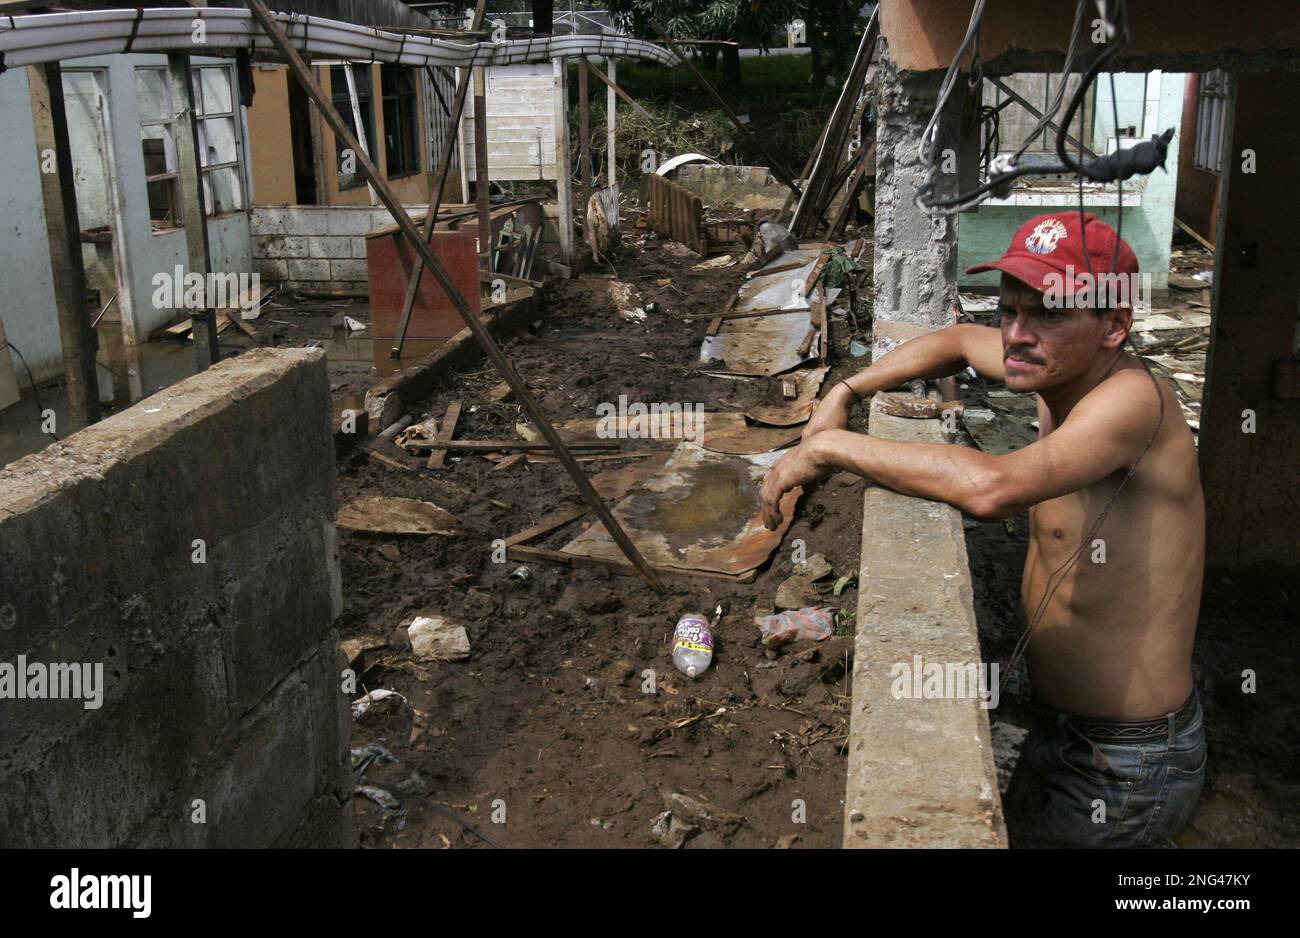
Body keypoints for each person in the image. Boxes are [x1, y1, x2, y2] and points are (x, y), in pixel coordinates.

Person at [759, 213, 1206, 847]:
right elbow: (960, 340)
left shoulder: (1130, 401)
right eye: (1010, 309)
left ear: (1114, 325)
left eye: (1048, 312)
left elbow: (990, 489)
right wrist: (847, 388)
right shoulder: (1054, 362)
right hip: (1057, 720)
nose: (1017, 334)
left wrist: (831, 447)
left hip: (1126, 761)